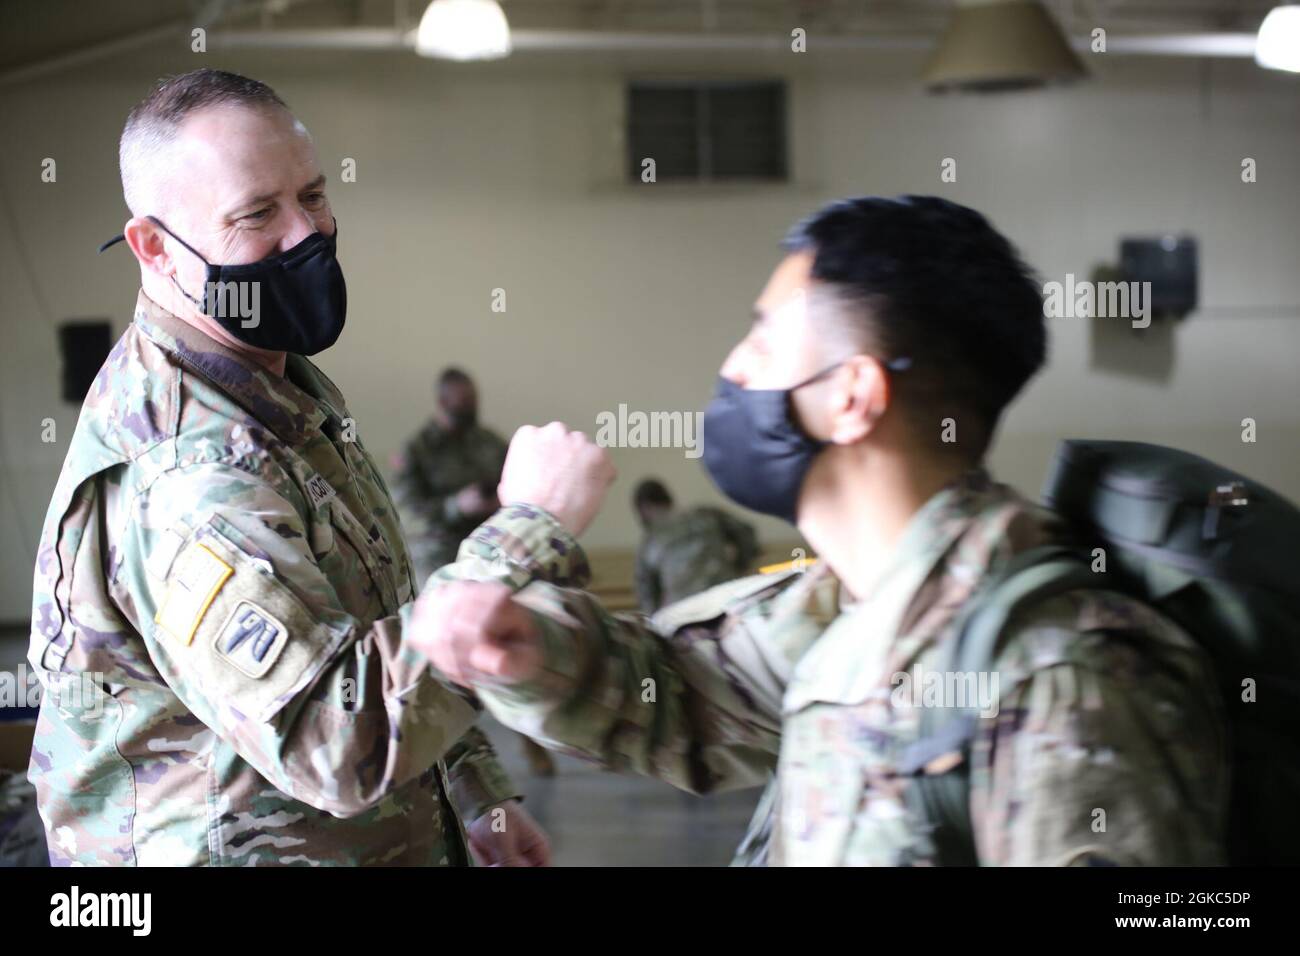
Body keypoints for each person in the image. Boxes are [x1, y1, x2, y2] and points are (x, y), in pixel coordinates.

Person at [409, 196, 1228, 866]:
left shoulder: (1060, 678)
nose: (733, 368)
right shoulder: (847, 607)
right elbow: (672, 696)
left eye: (763, 336)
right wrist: (516, 636)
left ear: (852, 396)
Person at [27, 68, 549, 866]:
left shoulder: (276, 387)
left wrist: (474, 794)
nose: (305, 235)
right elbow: (336, 739)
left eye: (312, 195)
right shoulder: (187, 474)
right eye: (256, 214)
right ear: (157, 248)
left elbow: (378, 618)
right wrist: (527, 534)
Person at [391, 368, 507, 583]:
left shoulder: (490, 441)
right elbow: (404, 516)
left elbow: (517, 481)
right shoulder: (416, 450)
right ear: (443, 401)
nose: (472, 406)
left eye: (474, 399)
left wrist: (502, 499)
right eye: (464, 400)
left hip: (490, 546)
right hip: (438, 554)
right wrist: (457, 506)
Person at [632, 478, 759, 613]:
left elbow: (647, 593)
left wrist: (655, 619)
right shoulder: (707, 514)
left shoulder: (650, 540)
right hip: (726, 598)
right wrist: (739, 567)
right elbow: (747, 533)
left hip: (683, 611)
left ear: (643, 508)